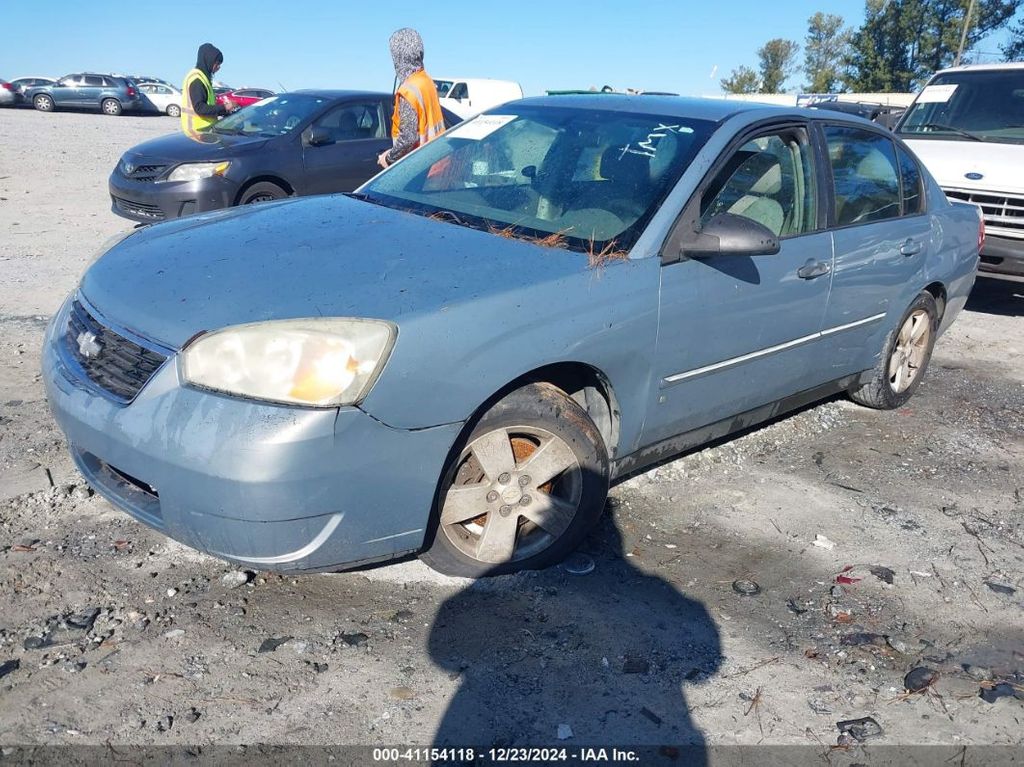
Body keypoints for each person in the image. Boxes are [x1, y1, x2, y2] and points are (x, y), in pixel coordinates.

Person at [378, 28, 445, 169]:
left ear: (398, 56)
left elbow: (408, 139)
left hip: (419, 169)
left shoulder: (409, 91)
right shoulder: (426, 81)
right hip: (437, 162)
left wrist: (388, 159)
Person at [181, 43, 236, 140]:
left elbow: (208, 104)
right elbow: (200, 108)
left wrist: (224, 110)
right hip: (197, 131)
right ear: (209, 61)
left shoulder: (203, 77)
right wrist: (225, 107)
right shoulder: (197, 79)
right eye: (217, 63)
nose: (218, 67)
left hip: (204, 130)